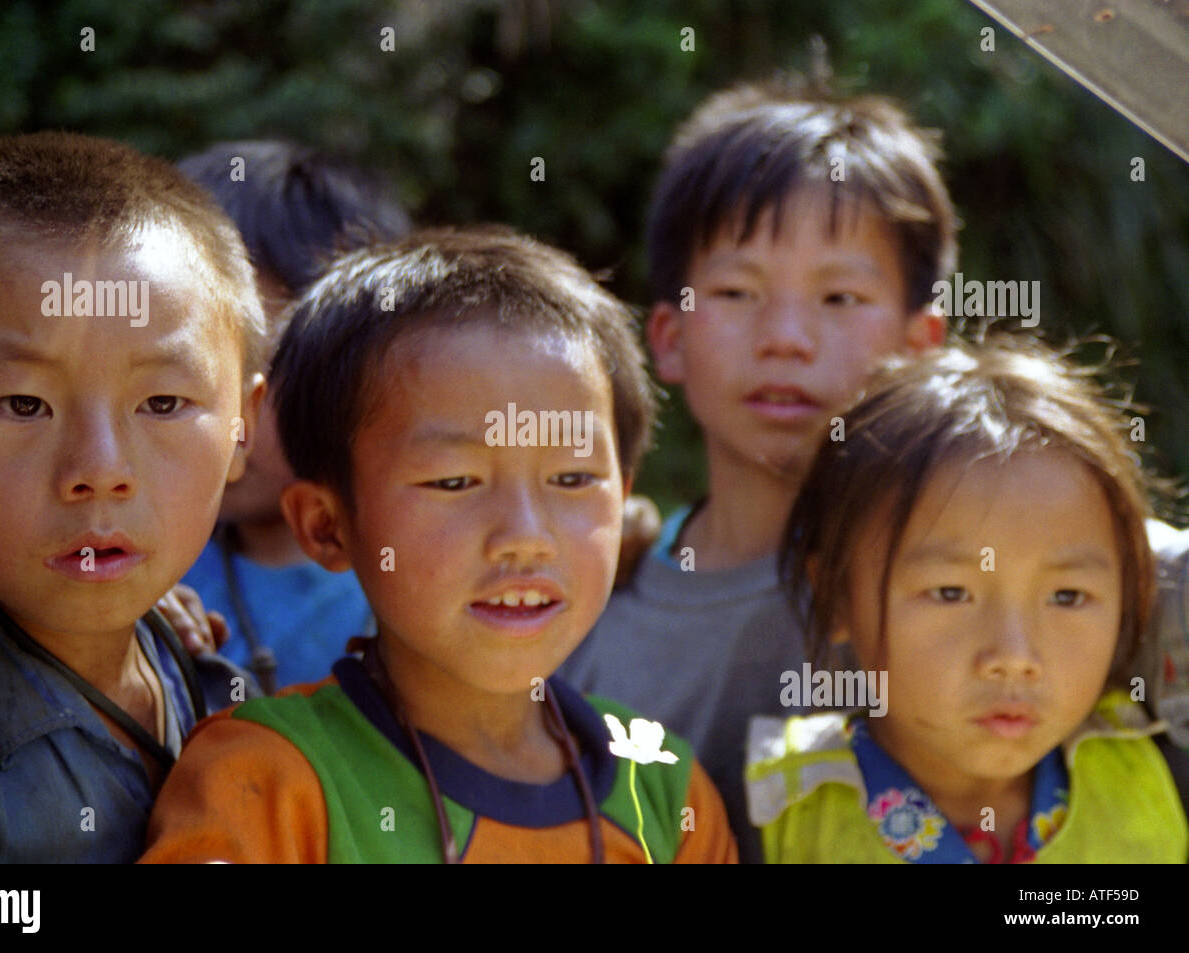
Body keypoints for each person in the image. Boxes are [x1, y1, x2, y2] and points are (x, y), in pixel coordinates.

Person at [141, 226, 737, 863]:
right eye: (455, 481)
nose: (526, 538)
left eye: (572, 479)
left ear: (622, 495)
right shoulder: (267, 781)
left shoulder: (666, 792)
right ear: (326, 525)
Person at [558, 79, 953, 852]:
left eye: (840, 297)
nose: (786, 337)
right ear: (668, 338)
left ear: (921, 343)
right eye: (737, 292)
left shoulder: (982, 579)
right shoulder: (577, 616)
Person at [0, 131, 266, 862]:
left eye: (162, 402)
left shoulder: (219, 690)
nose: (99, 469)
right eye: (23, 404)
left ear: (241, 431)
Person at [746, 334, 1189, 862]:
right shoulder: (783, 810)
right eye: (951, 592)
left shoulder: (1149, 765)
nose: (1013, 657)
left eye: (1068, 596)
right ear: (838, 598)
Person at [174, 141, 411, 691]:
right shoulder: (131, 574)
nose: (224, 416)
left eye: (265, 364)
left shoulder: (418, 577)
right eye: (176, 375)